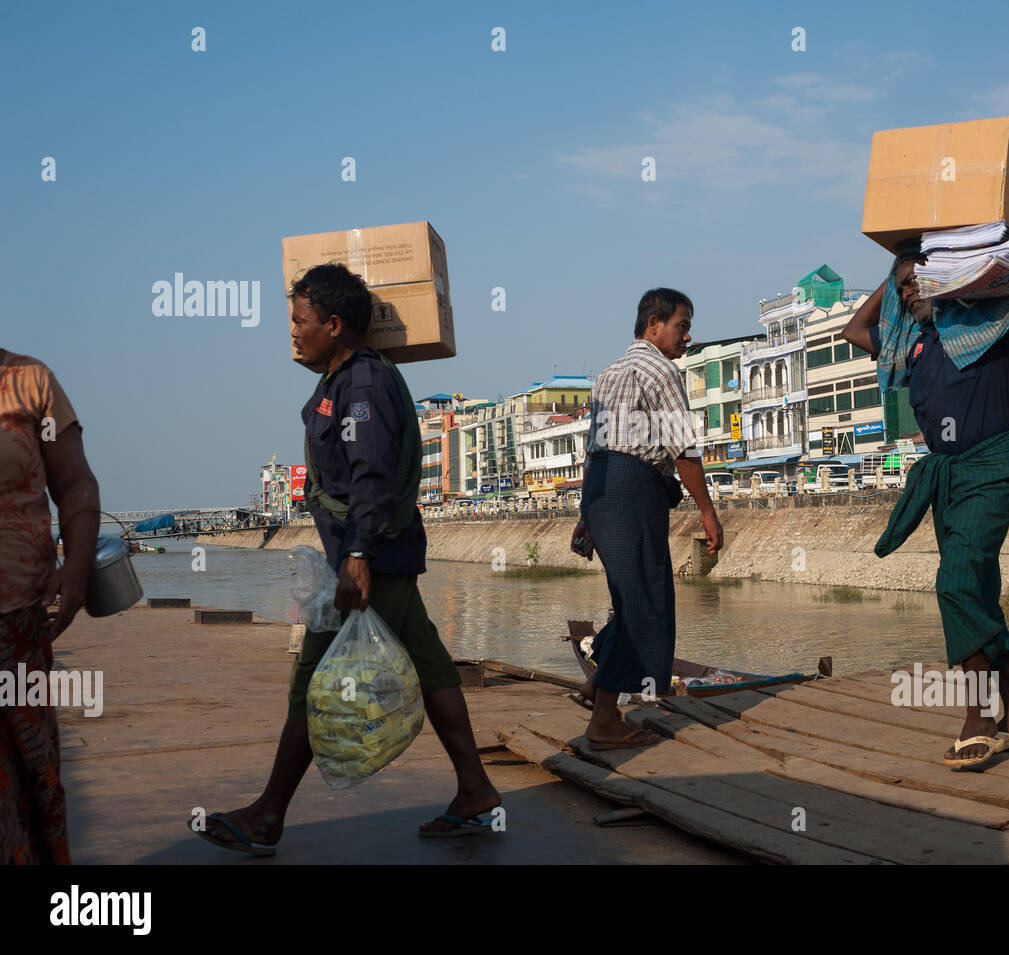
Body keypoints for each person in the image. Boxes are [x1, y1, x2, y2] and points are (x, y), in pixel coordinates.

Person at [197, 264, 499, 855]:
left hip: (371, 560)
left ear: (334, 325)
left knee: (312, 680)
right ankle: (476, 790)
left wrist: (357, 554)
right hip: (380, 554)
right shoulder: (344, 381)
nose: (293, 333)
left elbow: (372, 476)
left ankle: (268, 816)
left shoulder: (361, 386)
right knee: (432, 665)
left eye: (299, 321)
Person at [841, 185, 1009, 770]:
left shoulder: (990, 327)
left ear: (948, 281)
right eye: (906, 285)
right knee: (977, 588)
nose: (912, 290)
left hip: (991, 467)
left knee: (954, 583)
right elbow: (853, 331)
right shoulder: (911, 347)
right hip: (945, 479)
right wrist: (898, 268)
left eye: (920, 282)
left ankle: (978, 716)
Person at [570, 289, 723, 749]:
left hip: (602, 491)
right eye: (682, 325)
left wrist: (585, 514)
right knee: (644, 603)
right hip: (632, 492)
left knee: (631, 597)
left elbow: (596, 449)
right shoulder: (661, 369)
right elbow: (683, 449)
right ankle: (603, 722)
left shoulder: (608, 375)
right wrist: (708, 511)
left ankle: (597, 685)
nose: (687, 336)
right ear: (653, 324)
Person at [0, 349, 101, 863]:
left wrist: (77, 566)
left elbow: (75, 484)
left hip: (15, 625)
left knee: (29, 783)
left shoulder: (31, 382)